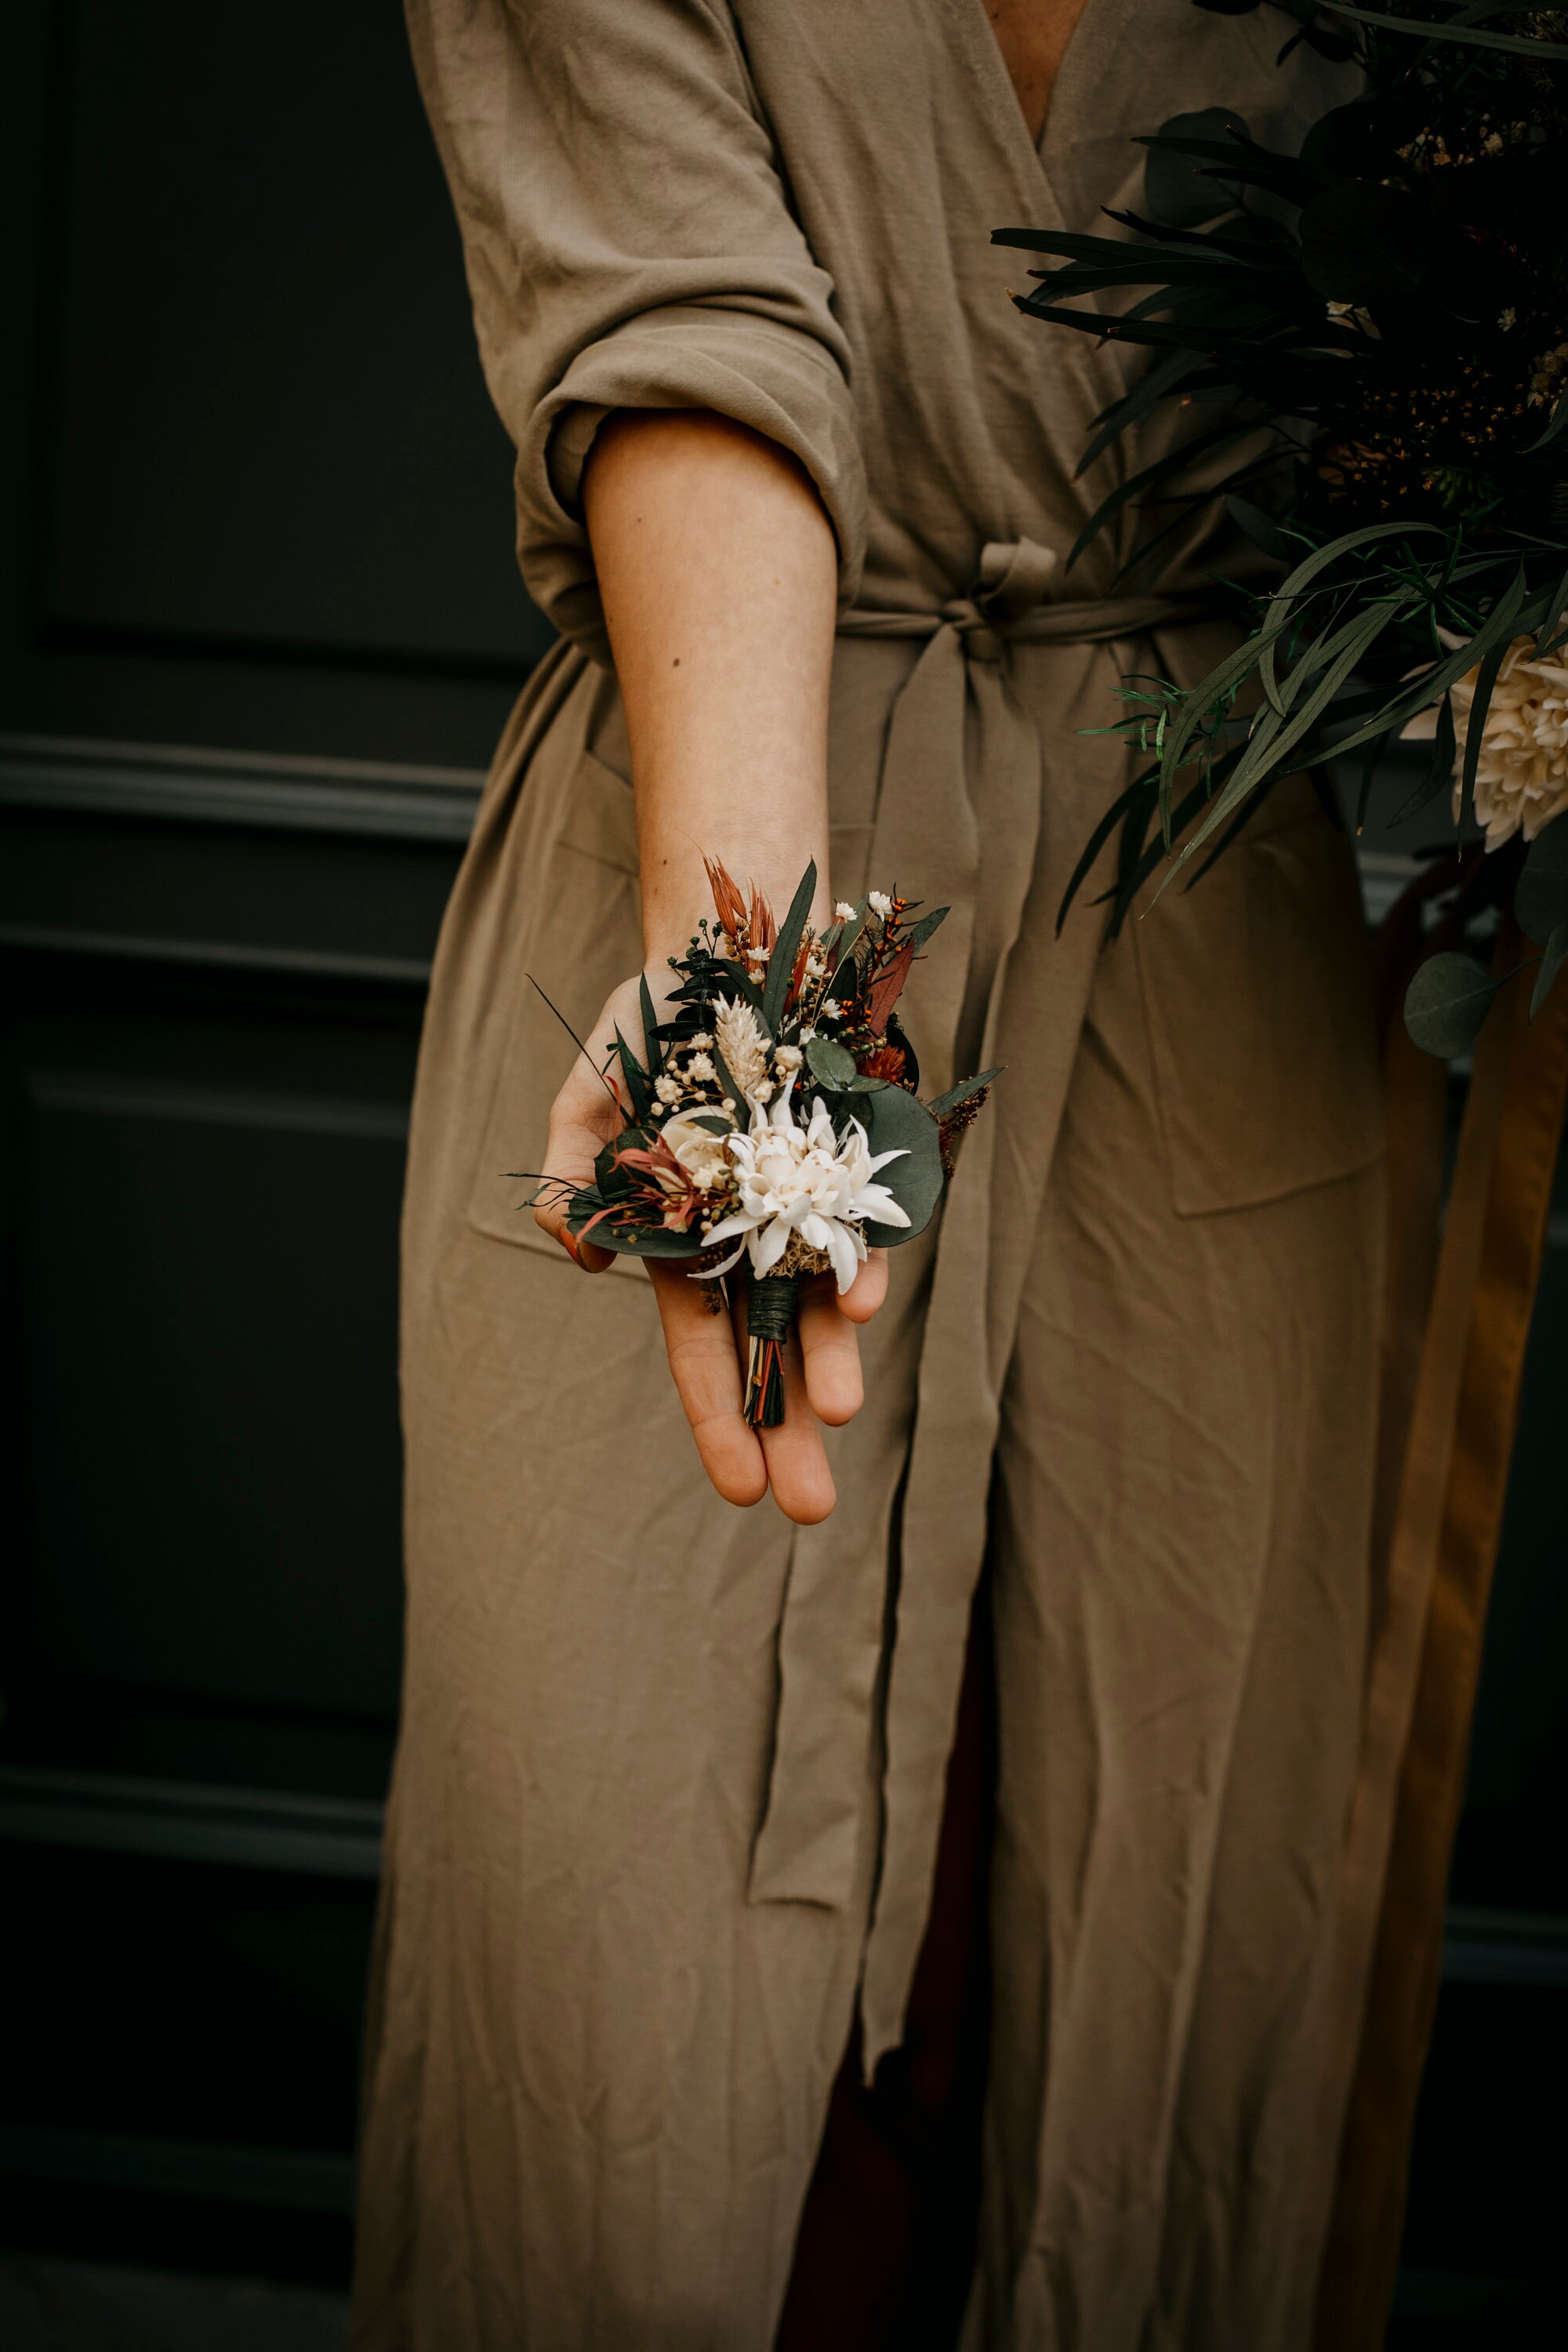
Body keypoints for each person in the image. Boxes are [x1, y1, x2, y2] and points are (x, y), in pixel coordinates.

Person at [352, 5, 1386, 2347]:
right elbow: (676, 316)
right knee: (617, 1968)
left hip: (1204, 945)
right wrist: (751, 987)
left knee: (1141, 1953)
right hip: (713, 887)